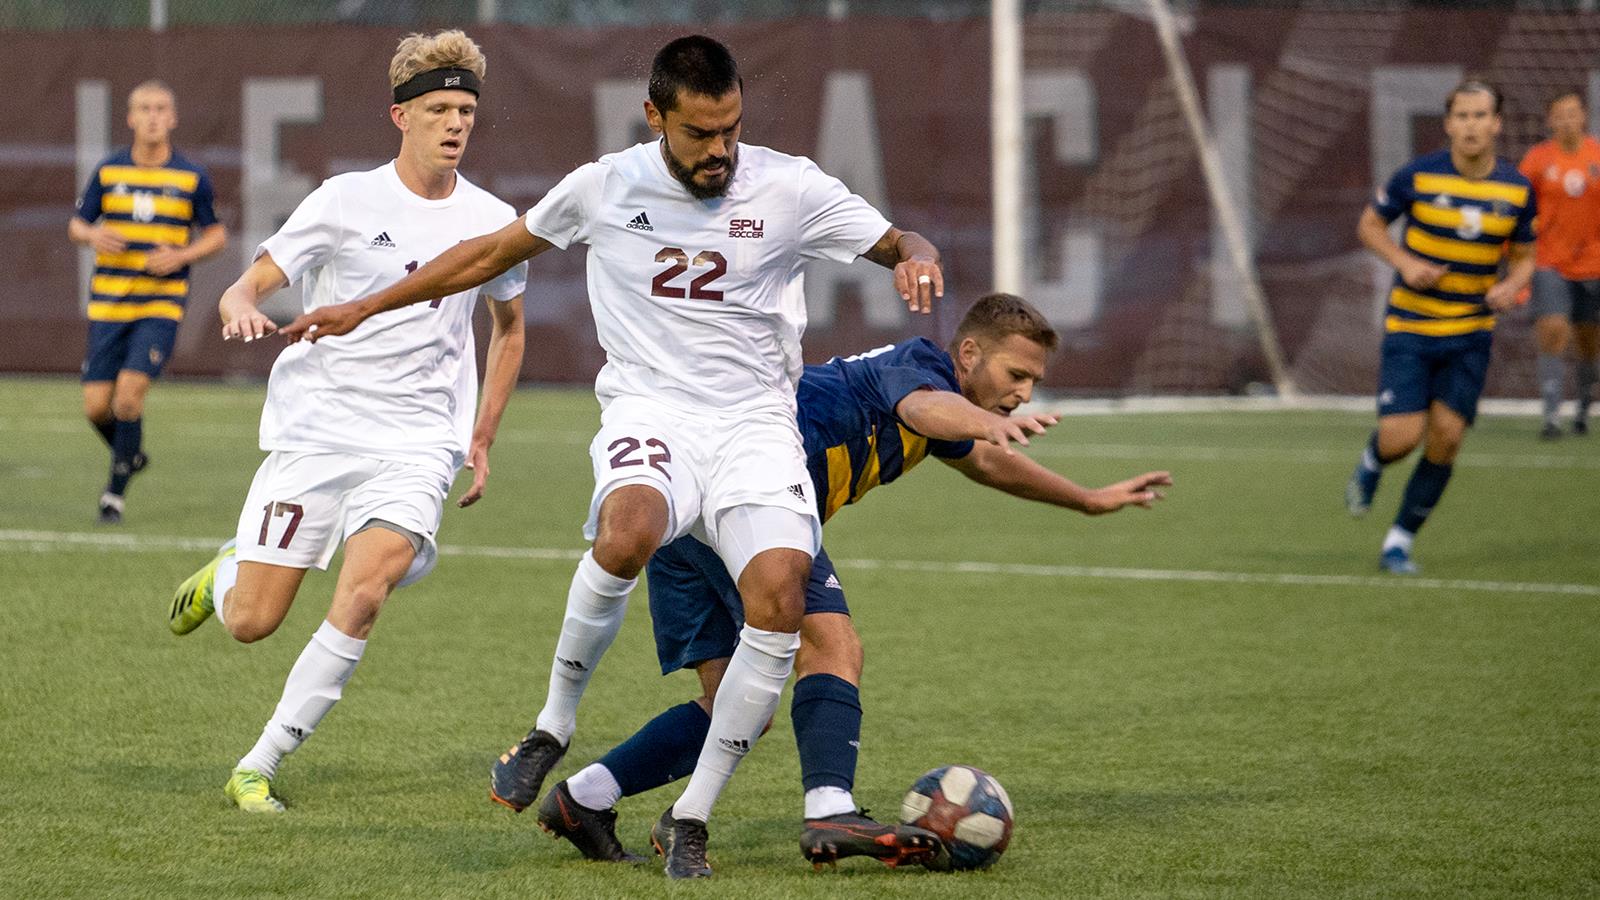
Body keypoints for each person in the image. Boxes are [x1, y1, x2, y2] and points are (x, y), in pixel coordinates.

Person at [280, 35, 959, 878]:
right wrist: (366, 306)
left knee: (782, 594)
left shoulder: (790, 186)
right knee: (629, 527)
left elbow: (900, 241)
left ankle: (691, 816)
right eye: (699, 134)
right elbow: (487, 255)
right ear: (655, 117)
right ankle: (551, 727)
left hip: (755, 424)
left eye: (731, 130)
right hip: (653, 410)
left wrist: (917, 258)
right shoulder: (605, 185)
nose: (719, 150)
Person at [520, 294, 1171, 870]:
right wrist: (987, 421)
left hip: (691, 512)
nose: (1024, 393)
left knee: (735, 705)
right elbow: (927, 409)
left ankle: (584, 800)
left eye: (1033, 382)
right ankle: (829, 809)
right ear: (969, 354)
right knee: (832, 648)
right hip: (740, 504)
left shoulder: (944, 405)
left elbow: (986, 463)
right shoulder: (919, 367)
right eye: (1016, 375)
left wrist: (1088, 500)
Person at [164, 30, 527, 814]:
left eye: (465, 110)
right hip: (320, 431)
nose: (455, 123)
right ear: (401, 116)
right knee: (252, 622)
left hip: (418, 442)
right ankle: (228, 573)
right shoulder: (343, 201)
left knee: (365, 591)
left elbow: (509, 329)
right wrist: (239, 305)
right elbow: (248, 283)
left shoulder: (496, 221)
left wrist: (482, 433)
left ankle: (257, 764)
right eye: (438, 109)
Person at [1345, 78, 1536, 574]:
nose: (1471, 126)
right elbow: (1369, 225)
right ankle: (1372, 461)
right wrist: (1405, 263)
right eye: (1462, 116)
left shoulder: (1517, 189)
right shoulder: (1418, 176)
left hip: (1471, 332)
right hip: (1411, 325)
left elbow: (1525, 256)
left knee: (1447, 439)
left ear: (1496, 124)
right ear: (1448, 124)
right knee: (1401, 438)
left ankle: (1399, 542)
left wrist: (1511, 285)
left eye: (1480, 116)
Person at [69, 80, 227, 524]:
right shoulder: (109, 171)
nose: (153, 116)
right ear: (130, 118)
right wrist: (93, 234)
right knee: (95, 406)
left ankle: (113, 498)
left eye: (160, 109)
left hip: (160, 304)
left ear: (172, 118)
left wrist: (181, 255)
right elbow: (76, 225)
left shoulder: (191, 177)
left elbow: (216, 235)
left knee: (128, 398)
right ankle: (131, 454)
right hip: (109, 304)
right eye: (145, 108)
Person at [1518, 89, 1600, 439]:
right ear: (1550, 120)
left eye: (1572, 113)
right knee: (1552, 330)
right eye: (1559, 114)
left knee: (1587, 341)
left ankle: (1583, 407)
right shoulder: (1537, 160)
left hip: (1593, 265)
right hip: (1549, 261)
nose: (1567, 120)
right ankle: (1551, 416)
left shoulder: (1597, 156)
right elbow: (1518, 208)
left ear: (1584, 116)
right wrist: (1516, 259)